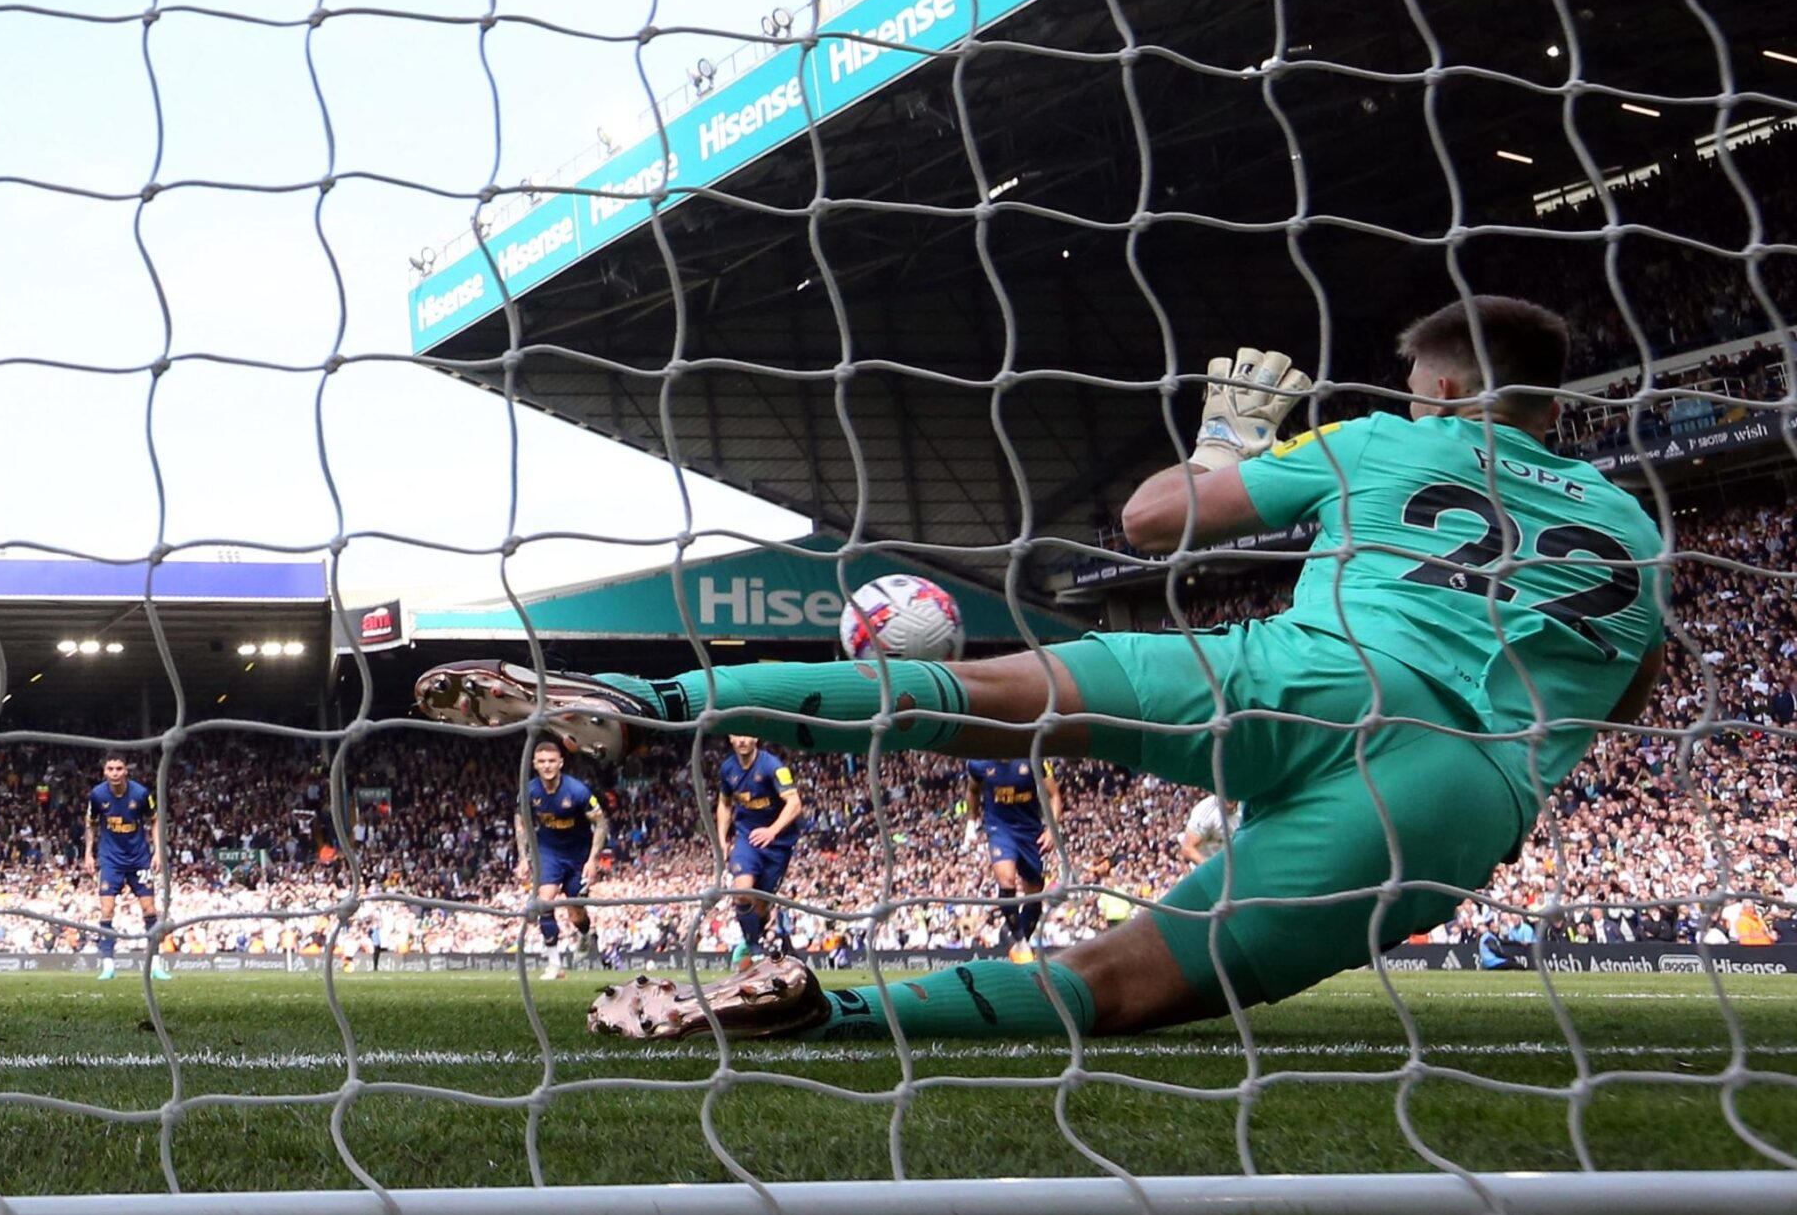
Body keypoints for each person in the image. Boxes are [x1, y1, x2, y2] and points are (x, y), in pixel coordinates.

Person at [414, 296, 1668, 1042]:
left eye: (1414, 381)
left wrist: (1229, 438)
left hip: (1309, 671)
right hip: (1455, 796)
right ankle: (839, 1013)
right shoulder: (1637, 529)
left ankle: (653, 703)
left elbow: (1153, 521)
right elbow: (1634, 693)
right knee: (1118, 988)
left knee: (997, 695)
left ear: (1442, 387)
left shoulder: (1391, 439)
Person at [521, 740, 608, 981]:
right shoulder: (529, 791)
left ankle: (584, 933)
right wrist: (522, 857)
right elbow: (521, 821)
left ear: (560, 763)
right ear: (534, 764)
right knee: (543, 903)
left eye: (551, 761)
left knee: (576, 914)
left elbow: (601, 823)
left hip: (578, 855)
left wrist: (592, 860)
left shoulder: (577, 791)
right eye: (542, 762)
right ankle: (554, 964)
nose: (547, 766)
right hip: (548, 852)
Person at [716, 733, 802, 965]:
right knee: (742, 890)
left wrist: (772, 831)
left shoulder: (773, 767)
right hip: (748, 838)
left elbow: (794, 803)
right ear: (730, 739)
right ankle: (753, 948)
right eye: (737, 735)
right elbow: (724, 804)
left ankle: (756, 938)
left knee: (762, 904)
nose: (742, 740)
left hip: (778, 842)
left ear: (756, 738)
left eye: (747, 735)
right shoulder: (727, 769)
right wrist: (722, 839)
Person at [86, 755, 171, 982]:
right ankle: (107, 965)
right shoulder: (97, 795)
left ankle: (155, 964)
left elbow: (155, 820)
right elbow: (91, 824)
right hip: (110, 860)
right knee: (106, 911)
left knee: (150, 910)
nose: (114, 772)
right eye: (110, 768)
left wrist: (158, 851)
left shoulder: (141, 794)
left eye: (119, 768)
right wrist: (88, 853)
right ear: (104, 771)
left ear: (126, 771)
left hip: (139, 859)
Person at [968, 759, 1058, 955]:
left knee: (1035, 892)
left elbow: (1054, 795)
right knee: (1006, 880)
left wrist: (1051, 829)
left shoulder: (1034, 760)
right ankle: (1019, 941)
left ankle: (1019, 943)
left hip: (1030, 831)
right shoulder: (978, 763)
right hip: (999, 829)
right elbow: (973, 790)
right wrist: (971, 822)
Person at [1178, 793, 1238, 867]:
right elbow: (1187, 848)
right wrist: (1211, 869)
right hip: (1212, 865)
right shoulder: (1205, 814)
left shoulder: (1245, 803)